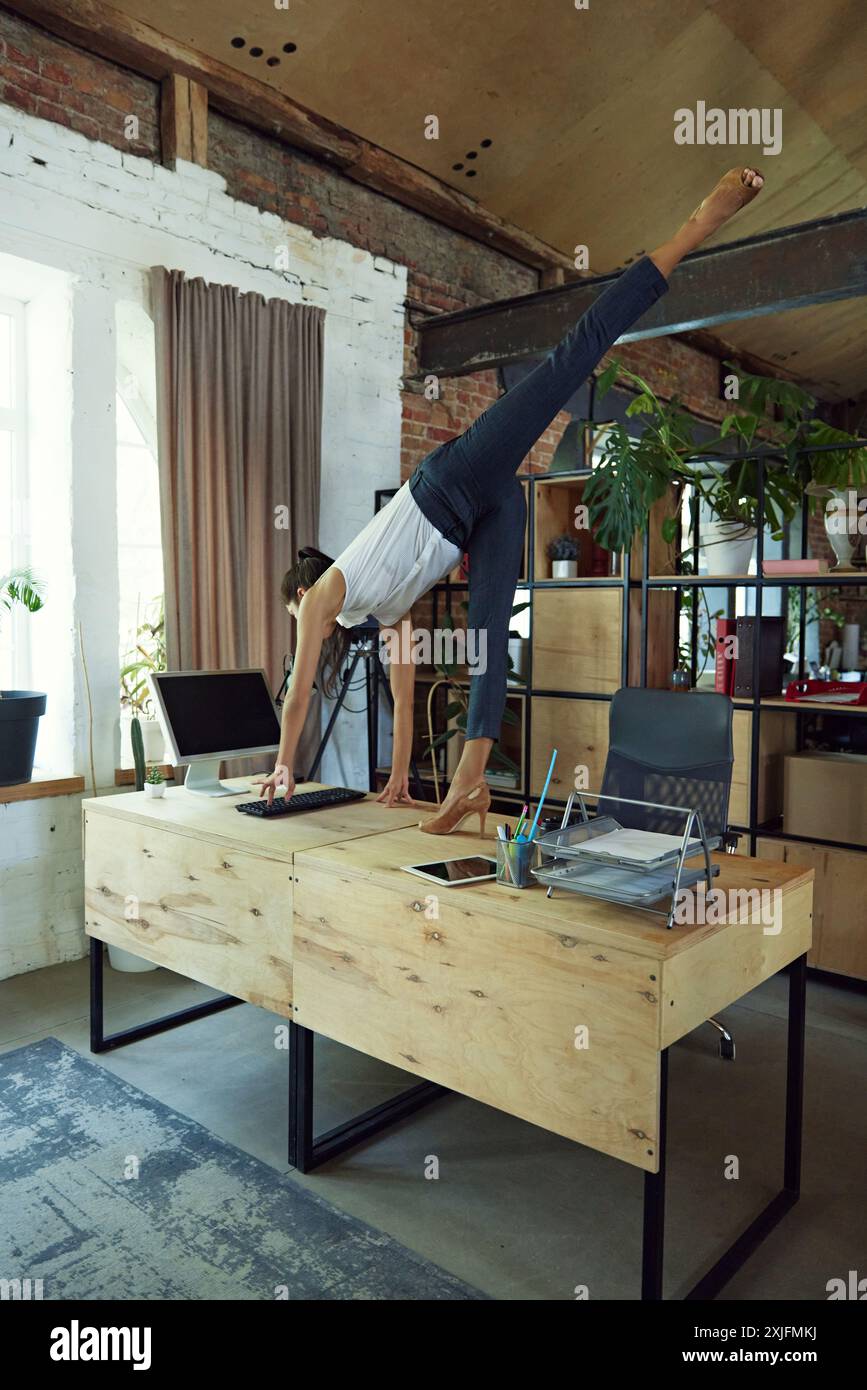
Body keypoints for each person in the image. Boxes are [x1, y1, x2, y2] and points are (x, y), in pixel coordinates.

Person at [255, 167, 765, 833]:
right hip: (486, 515)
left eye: (301, 613)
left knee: (569, 361)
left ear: (305, 596)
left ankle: (698, 224)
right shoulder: (370, 615)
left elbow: (296, 693)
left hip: (454, 478)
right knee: (488, 640)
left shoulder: (329, 588)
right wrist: (404, 776)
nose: (308, 625)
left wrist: (284, 762)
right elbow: (405, 691)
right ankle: (468, 781)